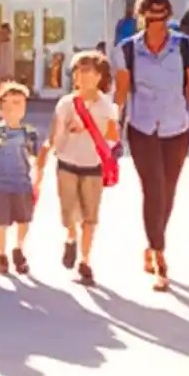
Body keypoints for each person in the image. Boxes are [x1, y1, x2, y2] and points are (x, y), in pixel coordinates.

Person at [110, 0, 189, 292]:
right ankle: (159, 254)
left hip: (177, 128)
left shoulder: (183, 47)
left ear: (169, 17)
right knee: (153, 188)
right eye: (151, 18)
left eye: (162, 18)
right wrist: (112, 132)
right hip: (142, 128)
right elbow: (121, 95)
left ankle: (152, 242)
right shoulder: (128, 50)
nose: (157, 25)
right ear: (142, 17)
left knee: (168, 191)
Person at [36, 50, 119, 286]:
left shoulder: (107, 106)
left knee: (90, 217)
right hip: (67, 162)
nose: (83, 76)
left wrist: (93, 130)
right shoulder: (66, 103)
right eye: (78, 71)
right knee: (67, 213)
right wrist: (52, 146)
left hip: (93, 165)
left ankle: (85, 261)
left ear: (99, 76)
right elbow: (54, 134)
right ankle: (70, 237)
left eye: (88, 71)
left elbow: (113, 137)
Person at [0, 82, 42, 275]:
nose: (18, 107)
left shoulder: (29, 132)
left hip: (22, 182)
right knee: (1, 222)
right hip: (1, 184)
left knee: (24, 220)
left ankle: (19, 249)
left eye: (22, 103)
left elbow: (37, 156)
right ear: (1, 108)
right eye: (13, 102)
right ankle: (0, 254)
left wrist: (38, 179)